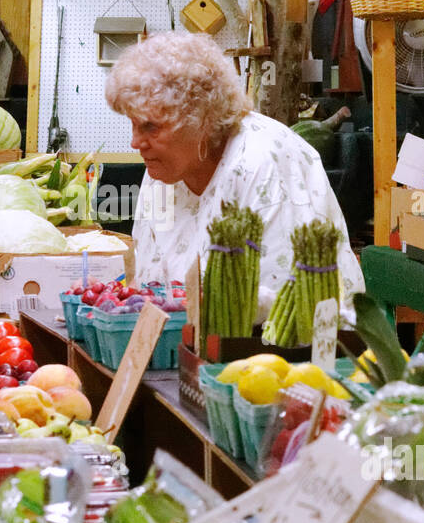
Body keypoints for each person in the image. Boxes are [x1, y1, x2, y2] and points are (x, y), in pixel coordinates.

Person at [104, 31, 364, 326]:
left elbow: (283, 305)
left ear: (201, 119)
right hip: (185, 346)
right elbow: (150, 287)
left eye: (150, 127)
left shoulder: (265, 161)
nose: (135, 142)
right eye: (134, 125)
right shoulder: (163, 172)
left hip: (290, 353)